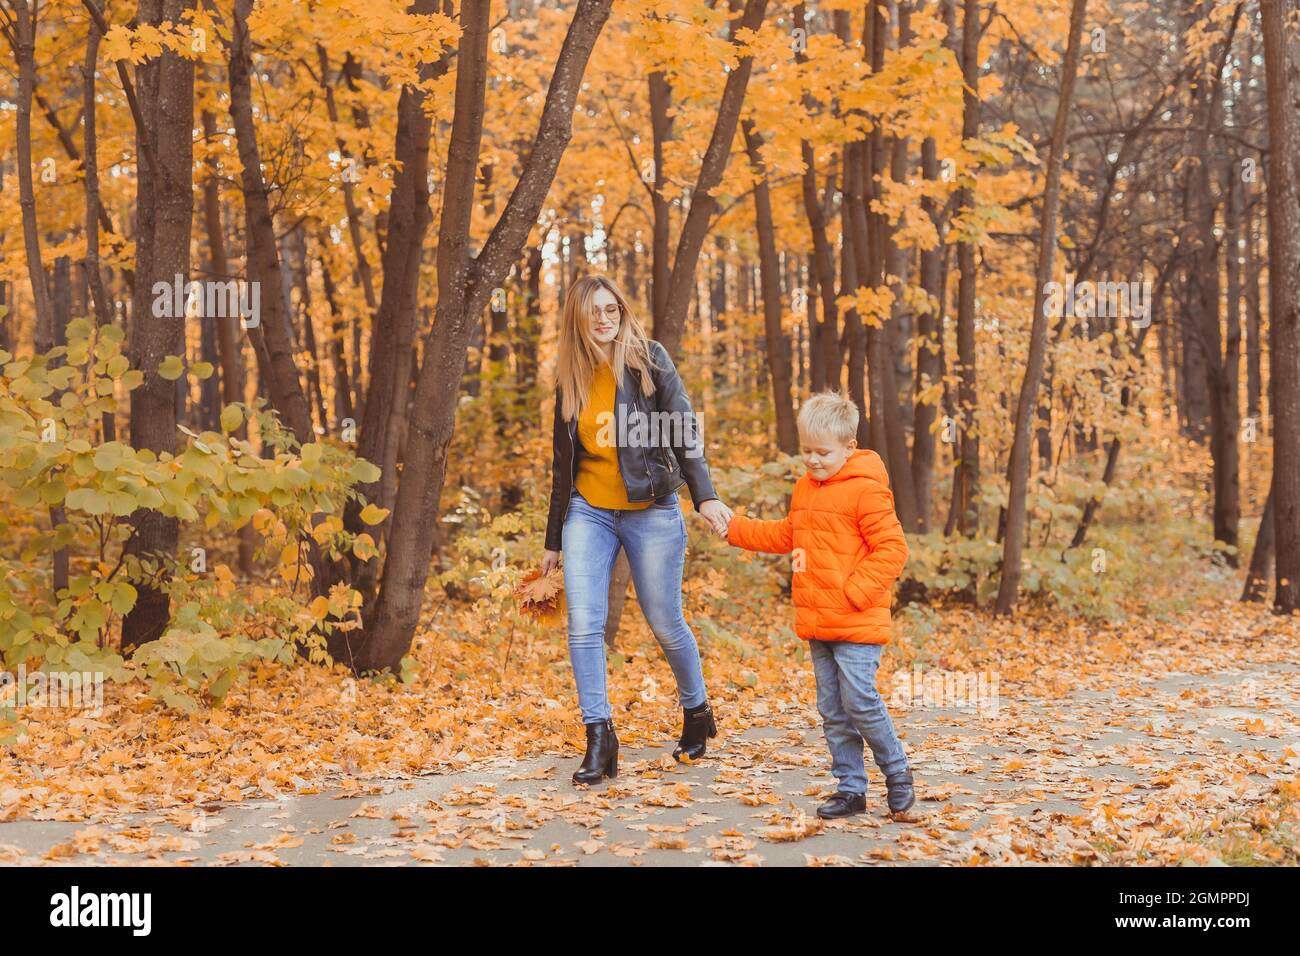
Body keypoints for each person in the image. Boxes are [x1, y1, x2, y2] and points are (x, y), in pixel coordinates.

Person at [539, 275, 734, 785]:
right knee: (584, 624)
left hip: (652, 508)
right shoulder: (570, 378)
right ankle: (599, 737)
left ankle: (697, 711)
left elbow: (683, 428)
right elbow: (563, 466)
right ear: (577, 320)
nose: (604, 320)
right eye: (594, 312)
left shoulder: (649, 359)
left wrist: (705, 494)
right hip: (590, 511)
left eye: (612, 310)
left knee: (666, 623)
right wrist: (553, 542)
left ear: (622, 313)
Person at [725, 391, 916, 818]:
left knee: (859, 700)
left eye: (822, 452)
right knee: (832, 709)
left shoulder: (866, 491)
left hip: (857, 620)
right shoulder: (805, 489)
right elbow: (785, 534)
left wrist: (855, 593)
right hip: (817, 622)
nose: (812, 460)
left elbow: (892, 549)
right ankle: (851, 788)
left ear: (849, 447)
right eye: (806, 450)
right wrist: (735, 528)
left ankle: (897, 771)